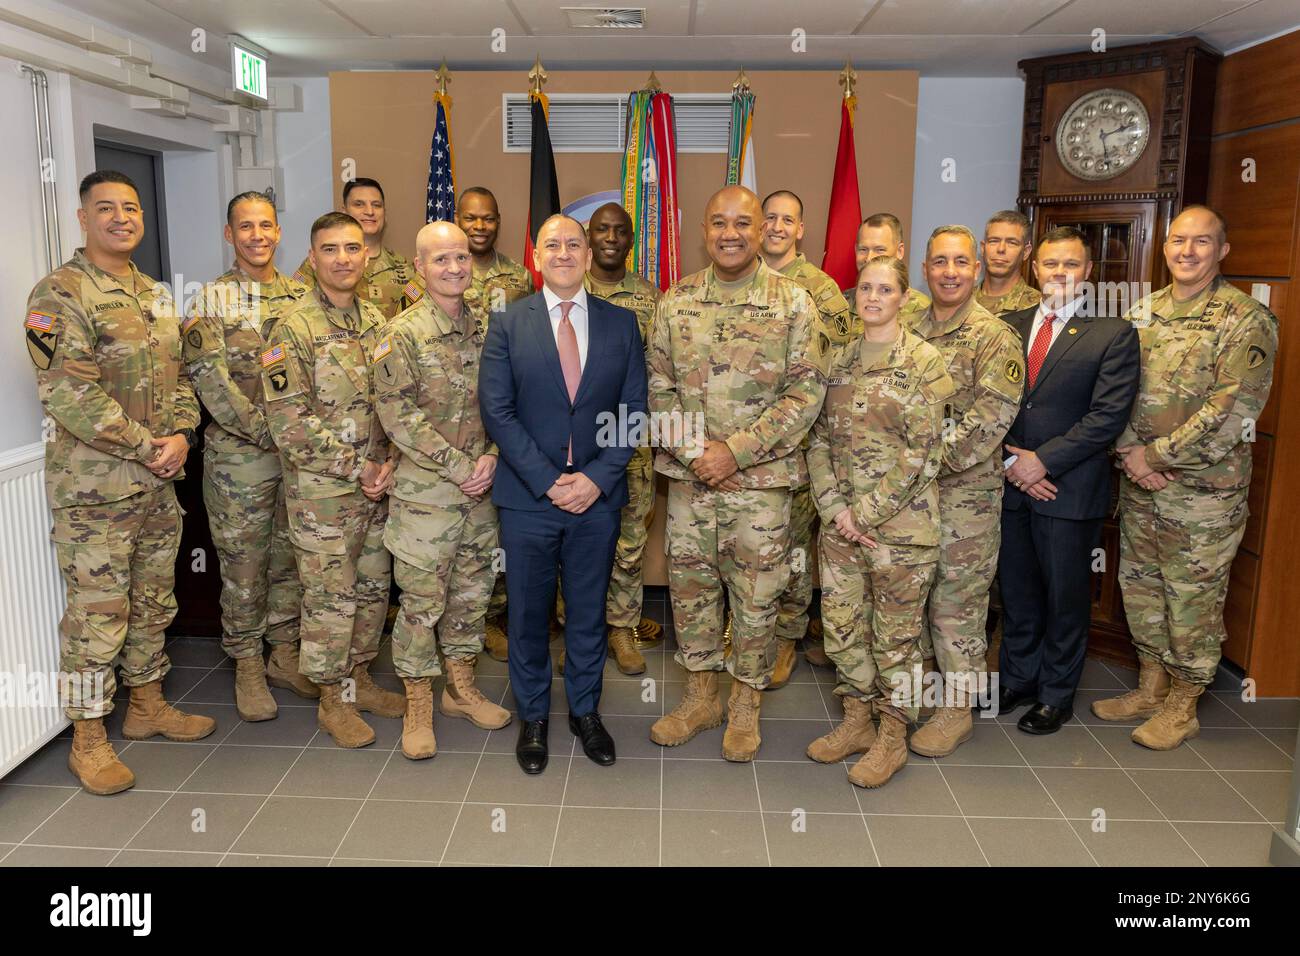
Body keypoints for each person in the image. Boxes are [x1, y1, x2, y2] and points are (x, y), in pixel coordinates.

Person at [27, 170, 212, 795]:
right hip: (95, 493)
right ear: (83, 218)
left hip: (158, 484)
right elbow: (69, 393)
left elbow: (184, 379)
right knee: (97, 618)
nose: (121, 217)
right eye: (105, 208)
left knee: (155, 603)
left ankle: (148, 705)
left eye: (130, 208)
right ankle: (88, 737)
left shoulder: (156, 294)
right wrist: (146, 445)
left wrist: (183, 435)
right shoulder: (57, 294)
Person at [647, 185, 829, 762]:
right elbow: (654, 388)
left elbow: (806, 392)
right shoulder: (675, 303)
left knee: (756, 598)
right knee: (691, 593)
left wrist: (737, 452)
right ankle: (701, 699)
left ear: (760, 232)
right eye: (719, 222)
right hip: (690, 482)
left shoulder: (794, 302)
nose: (731, 233)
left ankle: (745, 707)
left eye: (743, 223)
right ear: (704, 230)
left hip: (762, 488)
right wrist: (701, 454)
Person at [1094, 205, 1277, 750]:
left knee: (1192, 596)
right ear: (1165, 247)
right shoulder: (1144, 312)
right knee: (1141, 585)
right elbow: (1116, 392)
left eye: (1202, 242)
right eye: (1179, 240)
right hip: (1140, 482)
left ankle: (1183, 704)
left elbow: (1231, 413)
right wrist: (1130, 453)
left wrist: (1156, 457)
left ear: (1222, 251)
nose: (1187, 251)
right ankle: (1151, 686)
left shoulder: (1245, 320)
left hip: (1203, 494)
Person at [479, 214, 648, 775]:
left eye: (573, 243)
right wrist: (548, 480)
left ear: (586, 253)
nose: (565, 252)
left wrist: (596, 478)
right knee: (526, 615)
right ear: (536, 255)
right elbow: (497, 412)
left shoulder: (622, 324)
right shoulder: (507, 322)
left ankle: (584, 711)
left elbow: (633, 413)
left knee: (587, 613)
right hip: (529, 499)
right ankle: (532, 715)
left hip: (596, 501)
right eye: (553, 244)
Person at [805, 256, 954, 787]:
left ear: (902, 297)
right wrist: (836, 511)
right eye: (865, 288)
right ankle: (856, 723)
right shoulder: (839, 361)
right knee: (844, 631)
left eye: (884, 289)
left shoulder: (924, 361)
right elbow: (817, 439)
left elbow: (925, 453)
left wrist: (863, 513)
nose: (872, 297)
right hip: (841, 529)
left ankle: (893, 736)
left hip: (902, 533)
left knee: (897, 640)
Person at [262, 211, 404, 749]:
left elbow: (393, 401)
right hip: (324, 495)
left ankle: (359, 680)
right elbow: (289, 425)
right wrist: (359, 467)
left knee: (371, 590)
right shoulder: (291, 329)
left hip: (376, 488)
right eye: (330, 249)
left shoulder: (379, 321)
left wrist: (387, 460)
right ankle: (330, 700)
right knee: (330, 598)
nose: (343, 258)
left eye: (352, 247)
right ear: (313, 256)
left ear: (367, 254)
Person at [373, 222, 511, 759]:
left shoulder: (488, 329)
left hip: (481, 492)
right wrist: (459, 465)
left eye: (460, 258)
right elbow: (396, 414)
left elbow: (506, 402)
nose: (454, 268)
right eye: (440, 260)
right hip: (428, 497)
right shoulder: (400, 334)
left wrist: (494, 458)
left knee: (471, 598)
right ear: (418, 267)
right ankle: (418, 704)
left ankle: (460, 689)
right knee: (421, 605)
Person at [996, 227, 1140, 734]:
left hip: (1068, 489)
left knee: (1064, 596)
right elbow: (986, 403)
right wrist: (1015, 465)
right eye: (1051, 264)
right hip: (1010, 486)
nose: (1060, 273)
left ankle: (1056, 694)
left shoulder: (1112, 333)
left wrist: (1043, 462)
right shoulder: (1005, 326)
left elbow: (1107, 416)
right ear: (1035, 269)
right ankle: (1016, 679)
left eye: (1071, 265)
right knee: (1017, 591)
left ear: (1088, 272)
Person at [184, 191, 315, 723]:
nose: (257, 236)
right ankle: (246, 664)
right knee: (244, 564)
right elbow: (211, 384)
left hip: (296, 460)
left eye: (266, 226)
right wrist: (273, 431)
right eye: (245, 227)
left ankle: (284, 653)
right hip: (241, 458)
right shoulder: (210, 301)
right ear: (229, 234)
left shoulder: (303, 296)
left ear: (279, 232)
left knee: (289, 558)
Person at [905, 225, 1024, 758]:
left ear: (976, 269)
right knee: (915, 595)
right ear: (925, 269)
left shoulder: (996, 336)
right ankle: (924, 691)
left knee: (957, 601)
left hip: (964, 496)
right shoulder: (905, 326)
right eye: (938, 262)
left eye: (959, 262)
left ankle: (957, 709)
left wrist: (922, 460)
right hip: (907, 494)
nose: (949, 272)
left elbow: (991, 417)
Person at [759, 189, 854, 686]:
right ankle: (751, 629)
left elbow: (845, 355)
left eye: (786, 219)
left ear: (801, 230)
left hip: (797, 441)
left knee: (792, 543)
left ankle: (786, 637)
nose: (776, 226)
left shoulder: (821, 289)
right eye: (768, 217)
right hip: (749, 443)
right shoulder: (742, 277)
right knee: (754, 546)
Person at [457, 185, 534, 662]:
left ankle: (497, 616)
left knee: (500, 522)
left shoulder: (519, 276)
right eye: (471, 218)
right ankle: (471, 621)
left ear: (498, 221)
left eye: (488, 218)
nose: (480, 226)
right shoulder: (447, 268)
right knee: (464, 523)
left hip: (506, 414)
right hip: (456, 414)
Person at [293, 177, 425, 319]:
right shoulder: (319, 265)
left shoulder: (404, 267)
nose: (369, 211)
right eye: (359, 204)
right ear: (344, 211)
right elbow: (297, 309)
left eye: (376, 205)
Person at [854, 212, 930, 322]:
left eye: (879, 250)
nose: (869, 258)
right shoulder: (841, 303)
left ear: (899, 251)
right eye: (863, 249)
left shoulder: (922, 309)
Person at [976, 210, 1042, 317]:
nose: (1001, 249)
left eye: (1012, 243)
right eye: (994, 241)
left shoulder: (1039, 307)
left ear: (1026, 252)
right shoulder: (961, 300)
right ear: (983, 248)